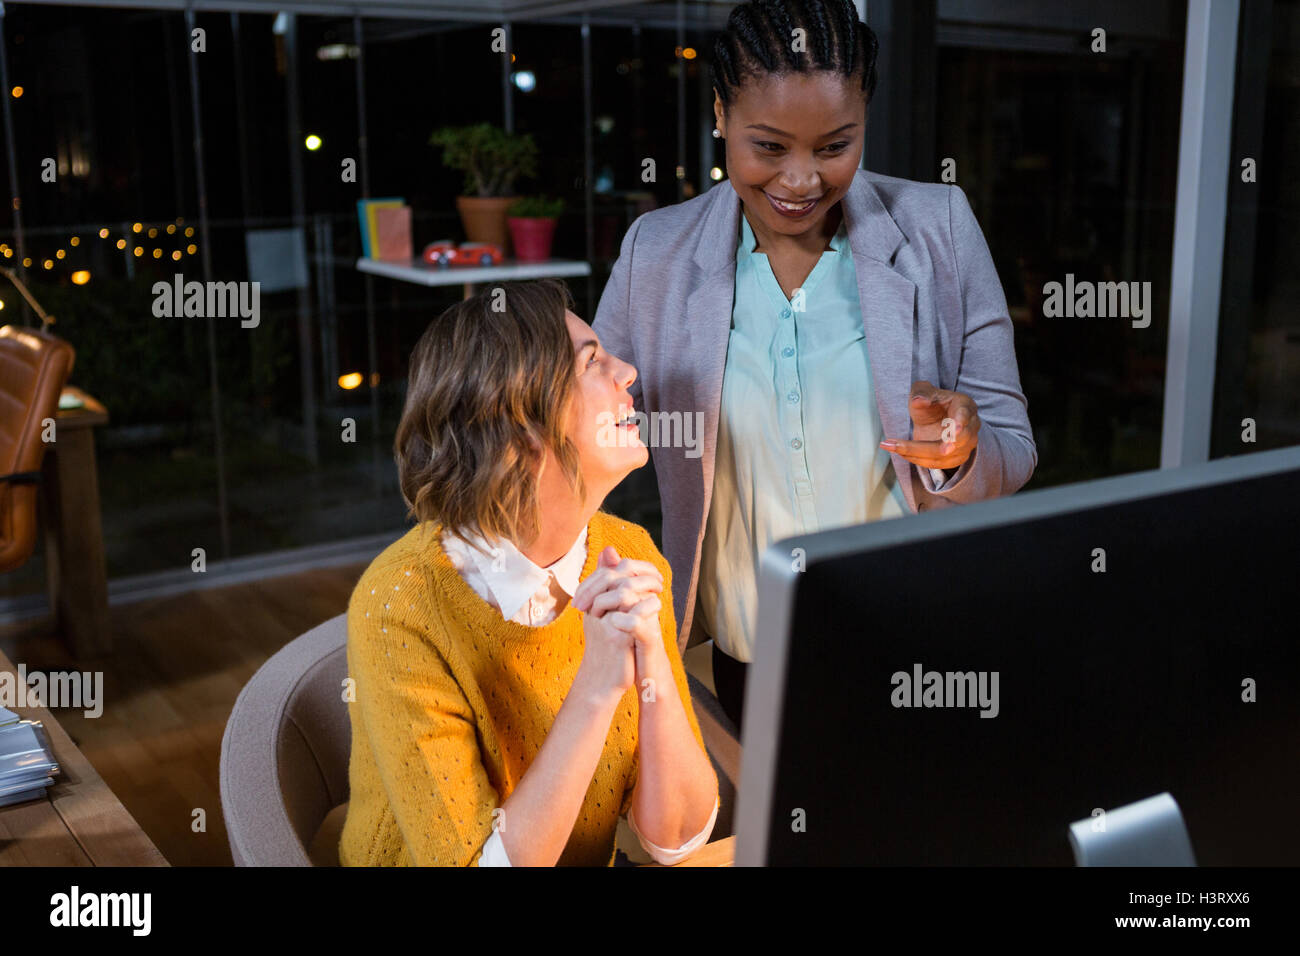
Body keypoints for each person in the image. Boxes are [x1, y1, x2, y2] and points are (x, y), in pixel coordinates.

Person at [591, 0, 1037, 734]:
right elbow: (584, 429)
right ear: (720, 115)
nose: (801, 181)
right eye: (768, 147)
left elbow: (1013, 450)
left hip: (916, 645)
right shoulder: (657, 255)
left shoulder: (941, 230)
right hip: (750, 661)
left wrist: (965, 450)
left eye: (834, 146)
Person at [338, 279, 719, 866]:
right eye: (591, 361)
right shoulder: (399, 608)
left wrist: (654, 677)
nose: (628, 371)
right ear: (519, 421)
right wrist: (597, 685)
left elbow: (676, 841)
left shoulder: (628, 554)